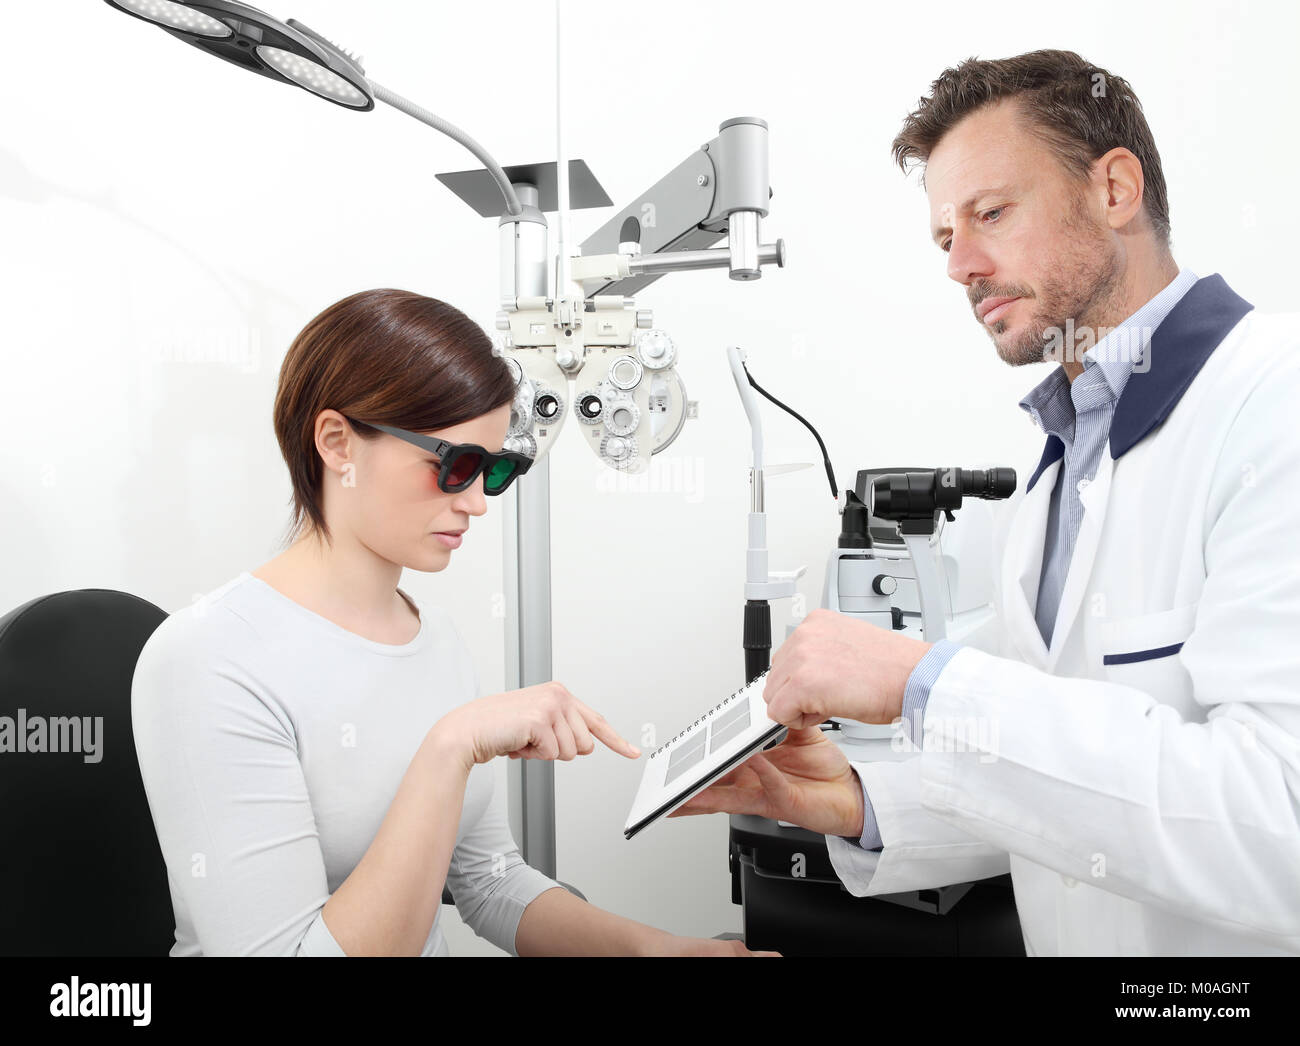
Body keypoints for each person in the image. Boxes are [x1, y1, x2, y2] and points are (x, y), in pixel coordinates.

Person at [675, 49, 1300, 956]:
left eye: (991, 214)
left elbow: (1277, 821)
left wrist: (921, 681)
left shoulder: (1272, 407)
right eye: (943, 238)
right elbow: (1055, 793)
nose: (961, 264)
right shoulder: (1055, 468)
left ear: (1115, 189)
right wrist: (851, 802)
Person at [131, 288, 774, 956]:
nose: (476, 503)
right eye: (455, 465)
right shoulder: (207, 658)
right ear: (336, 443)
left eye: (492, 470)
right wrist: (450, 747)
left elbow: (489, 882)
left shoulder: (432, 638)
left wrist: (661, 951)